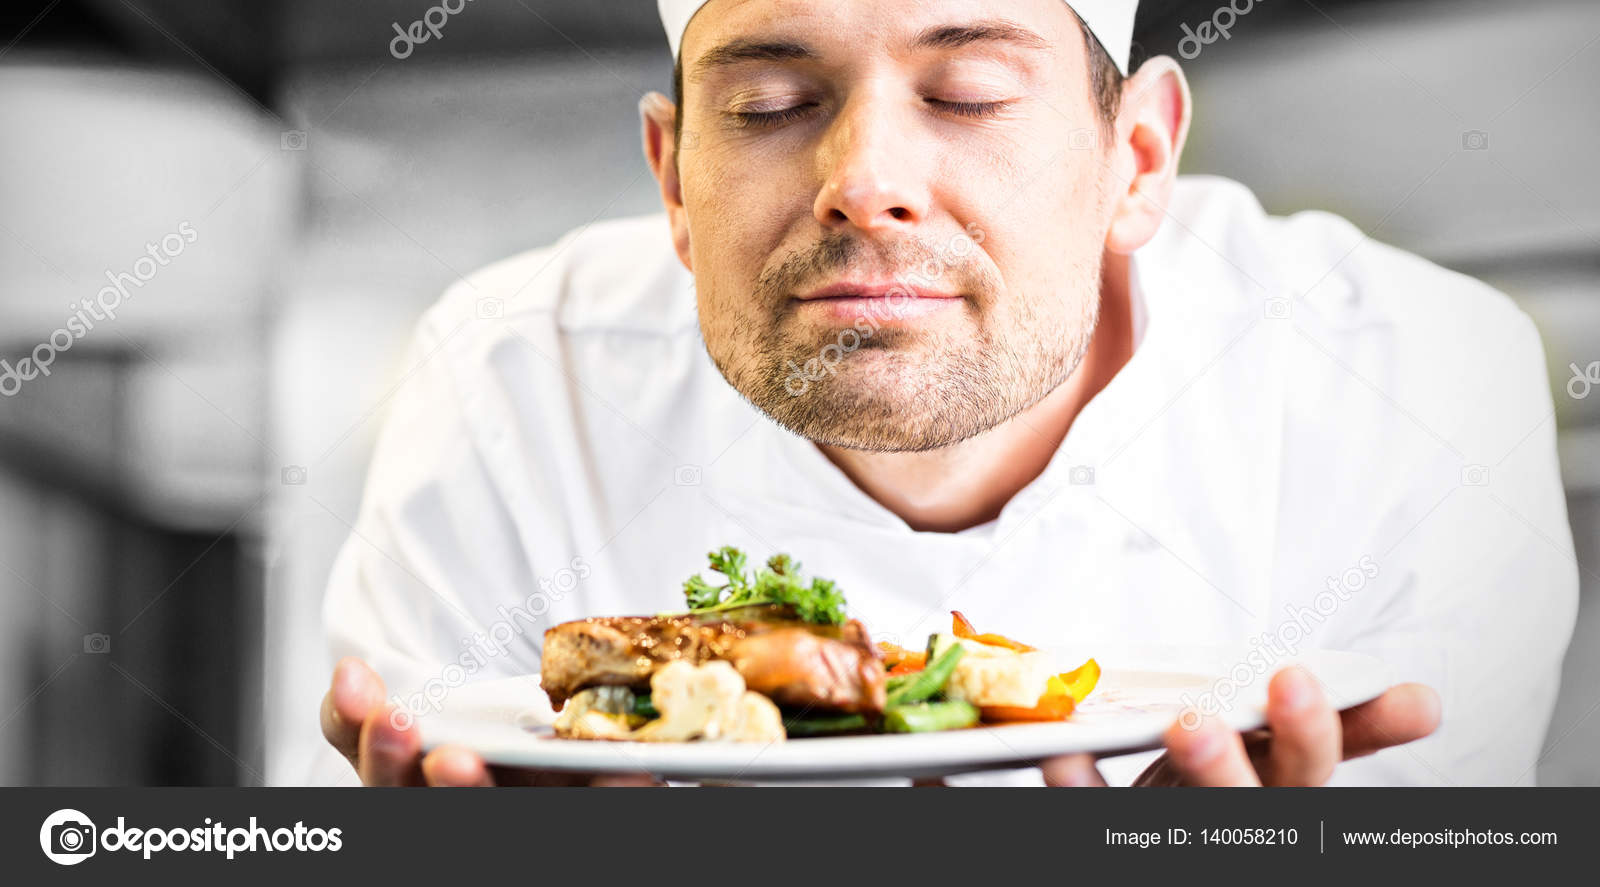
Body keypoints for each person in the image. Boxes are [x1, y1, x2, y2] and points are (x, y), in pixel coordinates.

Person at [318, 0, 1576, 786]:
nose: (863, 180)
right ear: (672, 180)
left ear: (1134, 160)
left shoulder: (1405, 375)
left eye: (967, 93)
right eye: (769, 103)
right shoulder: (509, 380)